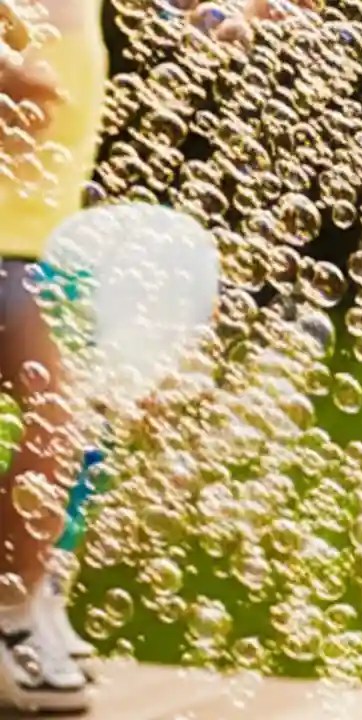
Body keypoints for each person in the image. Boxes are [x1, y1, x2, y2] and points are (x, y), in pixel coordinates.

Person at [0, 0, 108, 711]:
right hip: (8, 239)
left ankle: (37, 586)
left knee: (84, 421)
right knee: (58, 421)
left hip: (50, 238)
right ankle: (9, 611)